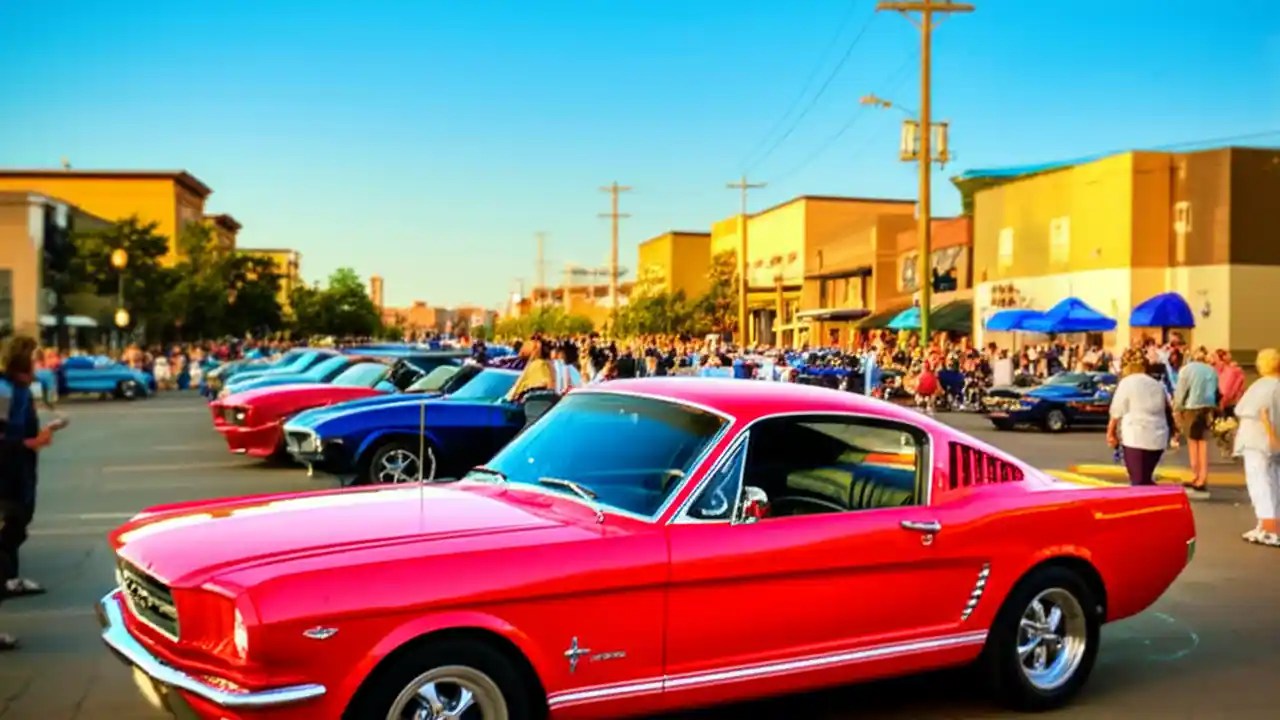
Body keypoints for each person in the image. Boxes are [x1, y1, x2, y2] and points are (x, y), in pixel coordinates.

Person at [1, 337, 62, 650]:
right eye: (37, 359)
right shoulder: (4, 391)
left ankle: (11, 580)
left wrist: (40, 435)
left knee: (14, 535)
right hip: (4, 480)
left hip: (19, 477)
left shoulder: (23, 390)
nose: (43, 364)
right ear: (22, 363)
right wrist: (30, 443)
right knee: (3, 547)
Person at [1233, 348, 1280, 546]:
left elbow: (1270, 415)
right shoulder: (1270, 385)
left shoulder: (1265, 386)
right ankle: (1267, 524)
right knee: (1269, 480)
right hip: (1260, 439)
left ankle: (1270, 526)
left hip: (1260, 440)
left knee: (1262, 482)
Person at [1108, 353, 1175, 486]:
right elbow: (1166, 409)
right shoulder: (1157, 385)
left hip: (1135, 436)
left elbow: (1117, 410)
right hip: (1158, 437)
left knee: (1138, 480)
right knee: (1145, 477)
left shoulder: (1126, 383)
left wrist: (1110, 432)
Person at [1173, 347, 1220, 498]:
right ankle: (1203, 476)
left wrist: (1177, 408)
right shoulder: (1211, 371)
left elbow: (1181, 391)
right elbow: (1215, 391)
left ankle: (1196, 475)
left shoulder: (1186, 370)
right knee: (1203, 442)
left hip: (1192, 407)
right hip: (1208, 407)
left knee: (1193, 442)